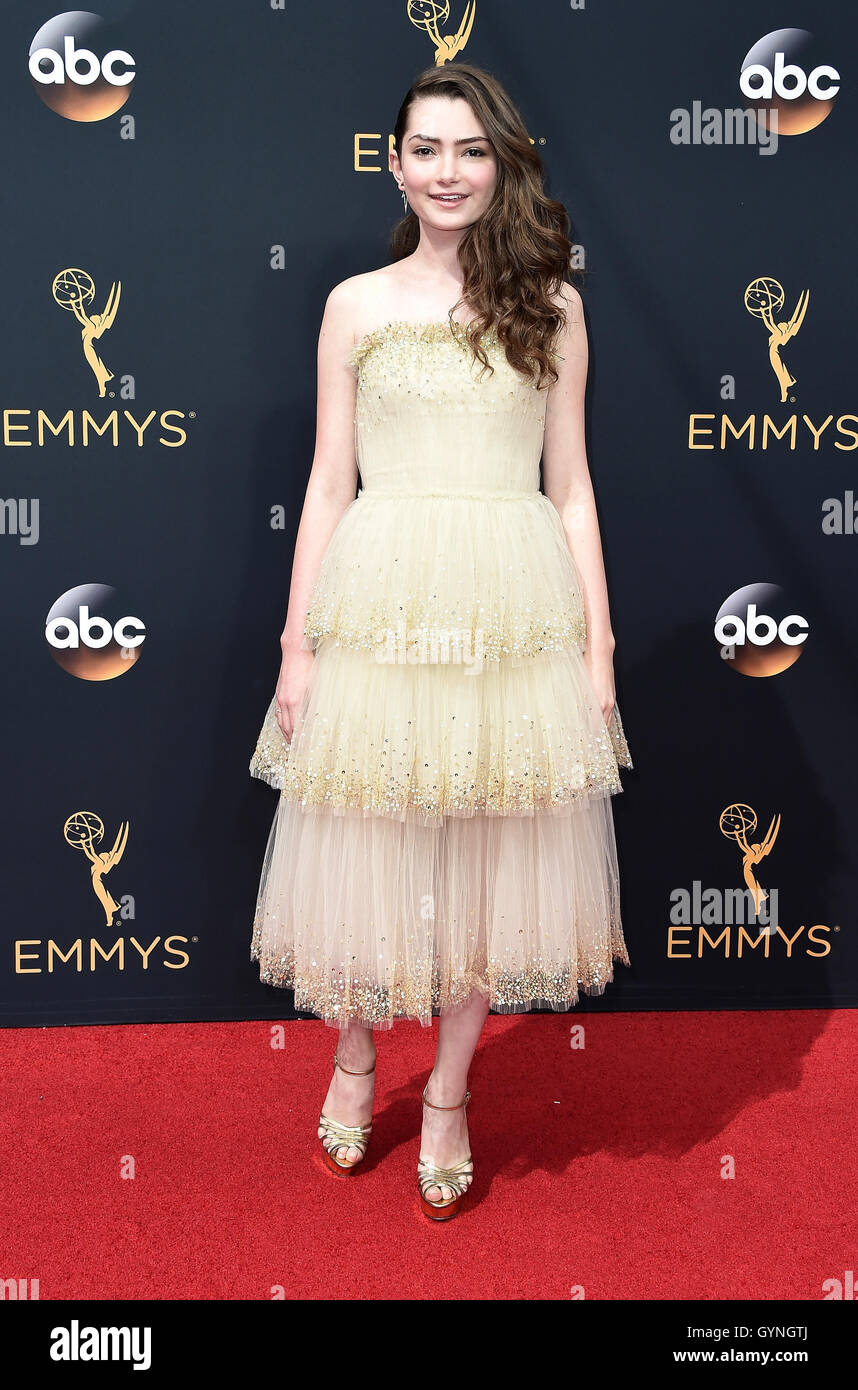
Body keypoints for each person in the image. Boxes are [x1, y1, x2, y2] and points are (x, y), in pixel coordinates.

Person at [248, 62, 633, 1221]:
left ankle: (454, 1094)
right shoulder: (355, 305)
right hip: (379, 608)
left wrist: (598, 652)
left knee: (483, 863)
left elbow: (571, 488)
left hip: (511, 615)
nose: (449, 172)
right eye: (427, 149)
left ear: (502, 161)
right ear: (396, 162)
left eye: (472, 150)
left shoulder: (554, 305)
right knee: (361, 843)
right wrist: (296, 648)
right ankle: (358, 1059)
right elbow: (326, 483)